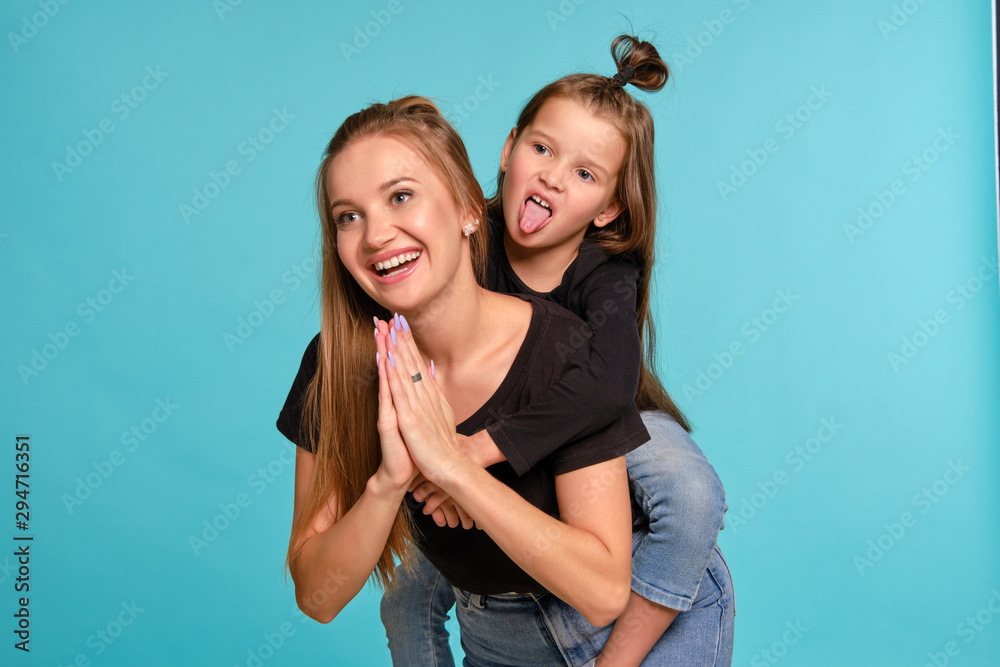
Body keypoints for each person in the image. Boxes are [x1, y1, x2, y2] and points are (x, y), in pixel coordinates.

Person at [380, 35, 735, 666]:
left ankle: (619, 660)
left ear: (609, 208)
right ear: (508, 149)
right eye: (542, 149)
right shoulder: (465, 238)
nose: (551, 174)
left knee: (692, 492)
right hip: (486, 420)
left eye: (585, 173)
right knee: (405, 582)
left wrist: (481, 451)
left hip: (602, 415)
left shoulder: (603, 270)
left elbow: (609, 381)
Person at [276, 95, 654, 664]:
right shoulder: (336, 367)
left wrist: (454, 467)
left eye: (401, 196)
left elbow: (602, 593)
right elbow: (316, 595)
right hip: (492, 636)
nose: (376, 234)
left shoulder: (564, 351)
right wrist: (390, 481)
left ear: (468, 210)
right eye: (347, 215)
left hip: (616, 640)